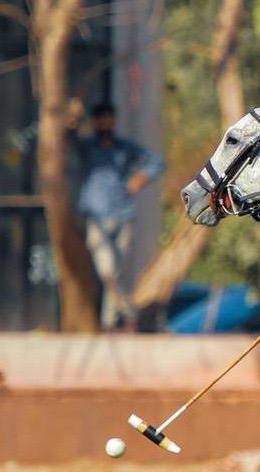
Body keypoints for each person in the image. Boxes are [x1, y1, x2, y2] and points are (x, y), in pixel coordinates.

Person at [70, 101, 165, 330]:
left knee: (116, 272)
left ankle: (109, 320)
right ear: (94, 121)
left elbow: (157, 162)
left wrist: (138, 180)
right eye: (101, 118)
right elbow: (67, 137)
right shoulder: (87, 147)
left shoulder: (124, 148)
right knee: (108, 271)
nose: (105, 122)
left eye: (109, 117)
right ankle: (129, 310)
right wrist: (73, 115)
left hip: (122, 214)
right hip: (96, 216)